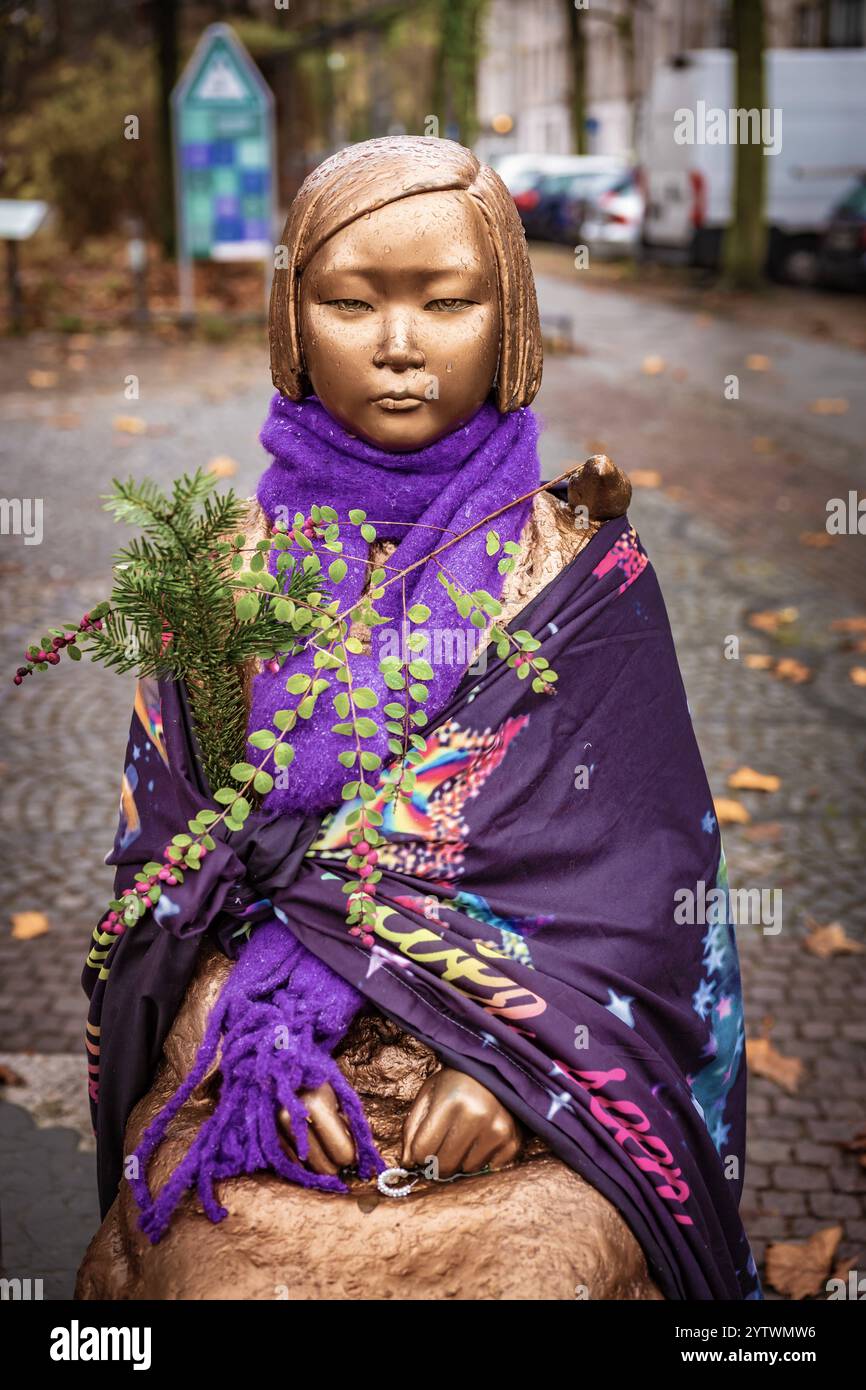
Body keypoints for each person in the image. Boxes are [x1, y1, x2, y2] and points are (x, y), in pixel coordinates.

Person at [76, 138, 759, 1301]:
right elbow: (162, 875)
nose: (398, 346)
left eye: (447, 302)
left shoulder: (576, 573)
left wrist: (511, 1069)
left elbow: (650, 884)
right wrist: (240, 1034)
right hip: (261, 1081)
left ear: (512, 321)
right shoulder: (220, 580)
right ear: (291, 320)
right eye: (350, 302)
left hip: (536, 1104)